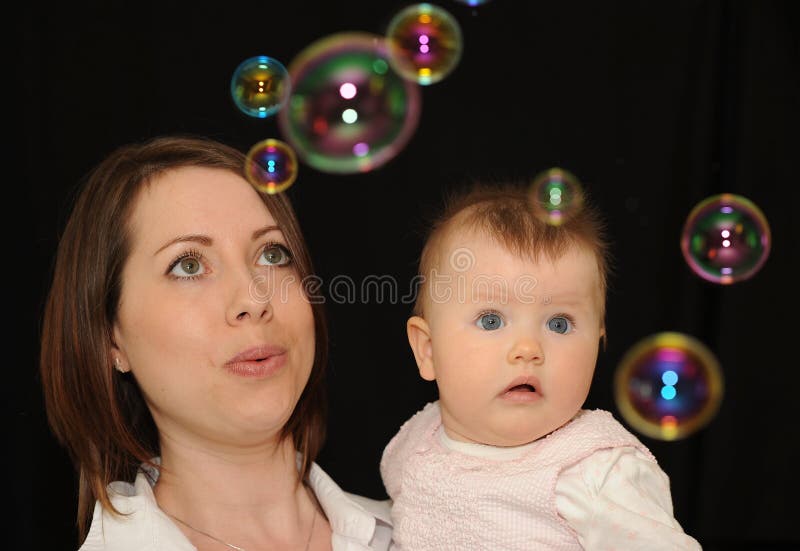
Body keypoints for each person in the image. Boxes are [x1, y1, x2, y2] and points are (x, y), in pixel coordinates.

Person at [40, 135, 392, 550]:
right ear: (110, 340)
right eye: (189, 265)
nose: (255, 299)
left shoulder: (434, 531)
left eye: (273, 255)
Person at [380, 182, 703, 550]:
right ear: (428, 350)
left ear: (597, 345)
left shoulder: (595, 472)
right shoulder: (413, 445)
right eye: (491, 320)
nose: (528, 349)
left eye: (559, 324)